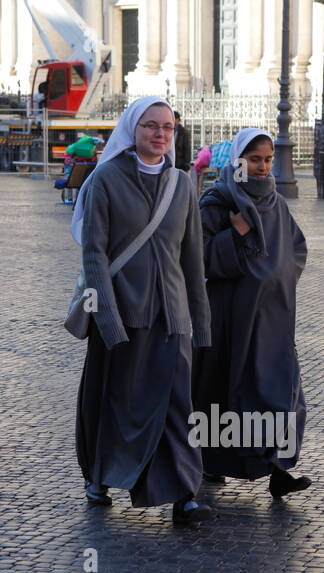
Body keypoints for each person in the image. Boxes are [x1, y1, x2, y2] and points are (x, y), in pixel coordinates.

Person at [71, 96, 214, 526]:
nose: (160, 134)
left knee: (176, 406)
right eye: (151, 126)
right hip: (121, 316)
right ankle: (100, 476)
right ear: (133, 130)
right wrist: (109, 322)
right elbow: (94, 257)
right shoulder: (105, 181)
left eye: (168, 127)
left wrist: (199, 324)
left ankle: (184, 495)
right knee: (116, 403)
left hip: (171, 319)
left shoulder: (183, 184)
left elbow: (193, 261)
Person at [193, 128, 310, 499]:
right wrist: (236, 236)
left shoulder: (277, 203)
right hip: (230, 320)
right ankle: (211, 463)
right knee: (227, 394)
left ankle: (278, 468)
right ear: (239, 161)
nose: (262, 167)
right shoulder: (216, 202)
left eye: (268, 159)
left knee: (282, 390)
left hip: (273, 319)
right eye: (254, 160)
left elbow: (296, 248)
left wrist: (279, 276)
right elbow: (198, 258)